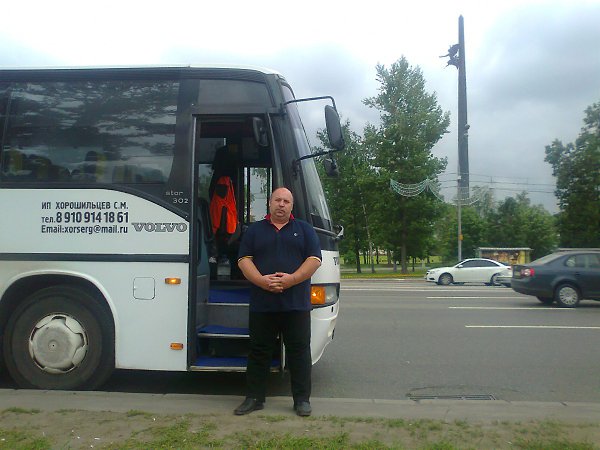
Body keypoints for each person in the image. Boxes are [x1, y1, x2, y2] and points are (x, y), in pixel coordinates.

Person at [234, 187, 322, 417]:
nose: (281, 204)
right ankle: (254, 398)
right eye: (277, 200)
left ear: (291, 206)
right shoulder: (254, 231)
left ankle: (302, 400)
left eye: (286, 201)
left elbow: (314, 260)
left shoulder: (305, 230)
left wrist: (291, 280)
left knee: (299, 353)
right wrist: (262, 282)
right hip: (263, 305)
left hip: (296, 305)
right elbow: (244, 261)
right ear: (270, 203)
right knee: (259, 352)